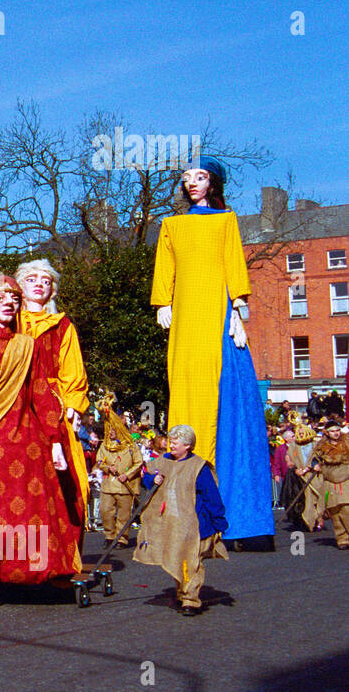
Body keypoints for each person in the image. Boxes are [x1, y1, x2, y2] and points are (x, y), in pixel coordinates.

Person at [151, 157, 272, 549]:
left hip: (215, 314)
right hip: (186, 318)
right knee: (185, 388)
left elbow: (232, 260)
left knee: (227, 398)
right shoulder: (171, 225)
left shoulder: (225, 221)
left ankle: (233, 515)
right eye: (186, 178)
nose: (191, 184)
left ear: (212, 183)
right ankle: (183, 510)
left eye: (199, 177)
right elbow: (165, 263)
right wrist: (163, 301)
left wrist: (238, 303)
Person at [0, 274, 80, 583]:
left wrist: (56, 439)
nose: (9, 304)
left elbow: (41, 395)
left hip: (28, 440)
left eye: (14, 300)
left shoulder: (27, 345)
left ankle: (32, 565)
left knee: (28, 506)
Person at [15, 257, 92, 539]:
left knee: (64, 475)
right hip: (15, 403)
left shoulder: (62, 325)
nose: (39, 285)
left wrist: (73, 405)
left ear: (52, 291)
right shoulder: (8, 321)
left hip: (52, 407)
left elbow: (73, 369)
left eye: (45, 281)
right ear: (20, 286)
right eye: (32, 279)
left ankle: (62, 546)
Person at [133, 424, 229, 614]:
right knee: (177, 558)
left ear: (187, 445)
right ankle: (181, 593)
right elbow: (145, 477)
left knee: (192, 560)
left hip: (195, 523)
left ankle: (190, 600)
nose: (171, 445)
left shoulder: (198, 467)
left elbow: (211, 495)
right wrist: (153, 480)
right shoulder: (162, 461)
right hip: (171, 523)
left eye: (175, 442)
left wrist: (219, 520)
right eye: (170, 441)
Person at [93, 397, 143, 548]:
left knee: (124, 514)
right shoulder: (105, 446)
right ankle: (109, 536)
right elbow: (99, 461)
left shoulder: (131, 446)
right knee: (105, 510)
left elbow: (139, 462)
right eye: (109, 430)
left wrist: (127, 475)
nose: (111, 433)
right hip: (109, 485)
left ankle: (121, 538)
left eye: (114, 430)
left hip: (125, 485)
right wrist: (108, 468)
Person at [308, 419, 349, 549]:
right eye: (333, 431)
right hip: (330, 483)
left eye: (338, 430)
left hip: (345, 480)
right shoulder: (321, 447)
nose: (336, 433)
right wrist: (315, 465)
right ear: (327, 433)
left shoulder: (347, 443)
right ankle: (342, 539)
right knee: (334, 512)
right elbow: (314, 460)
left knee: (346, 509)